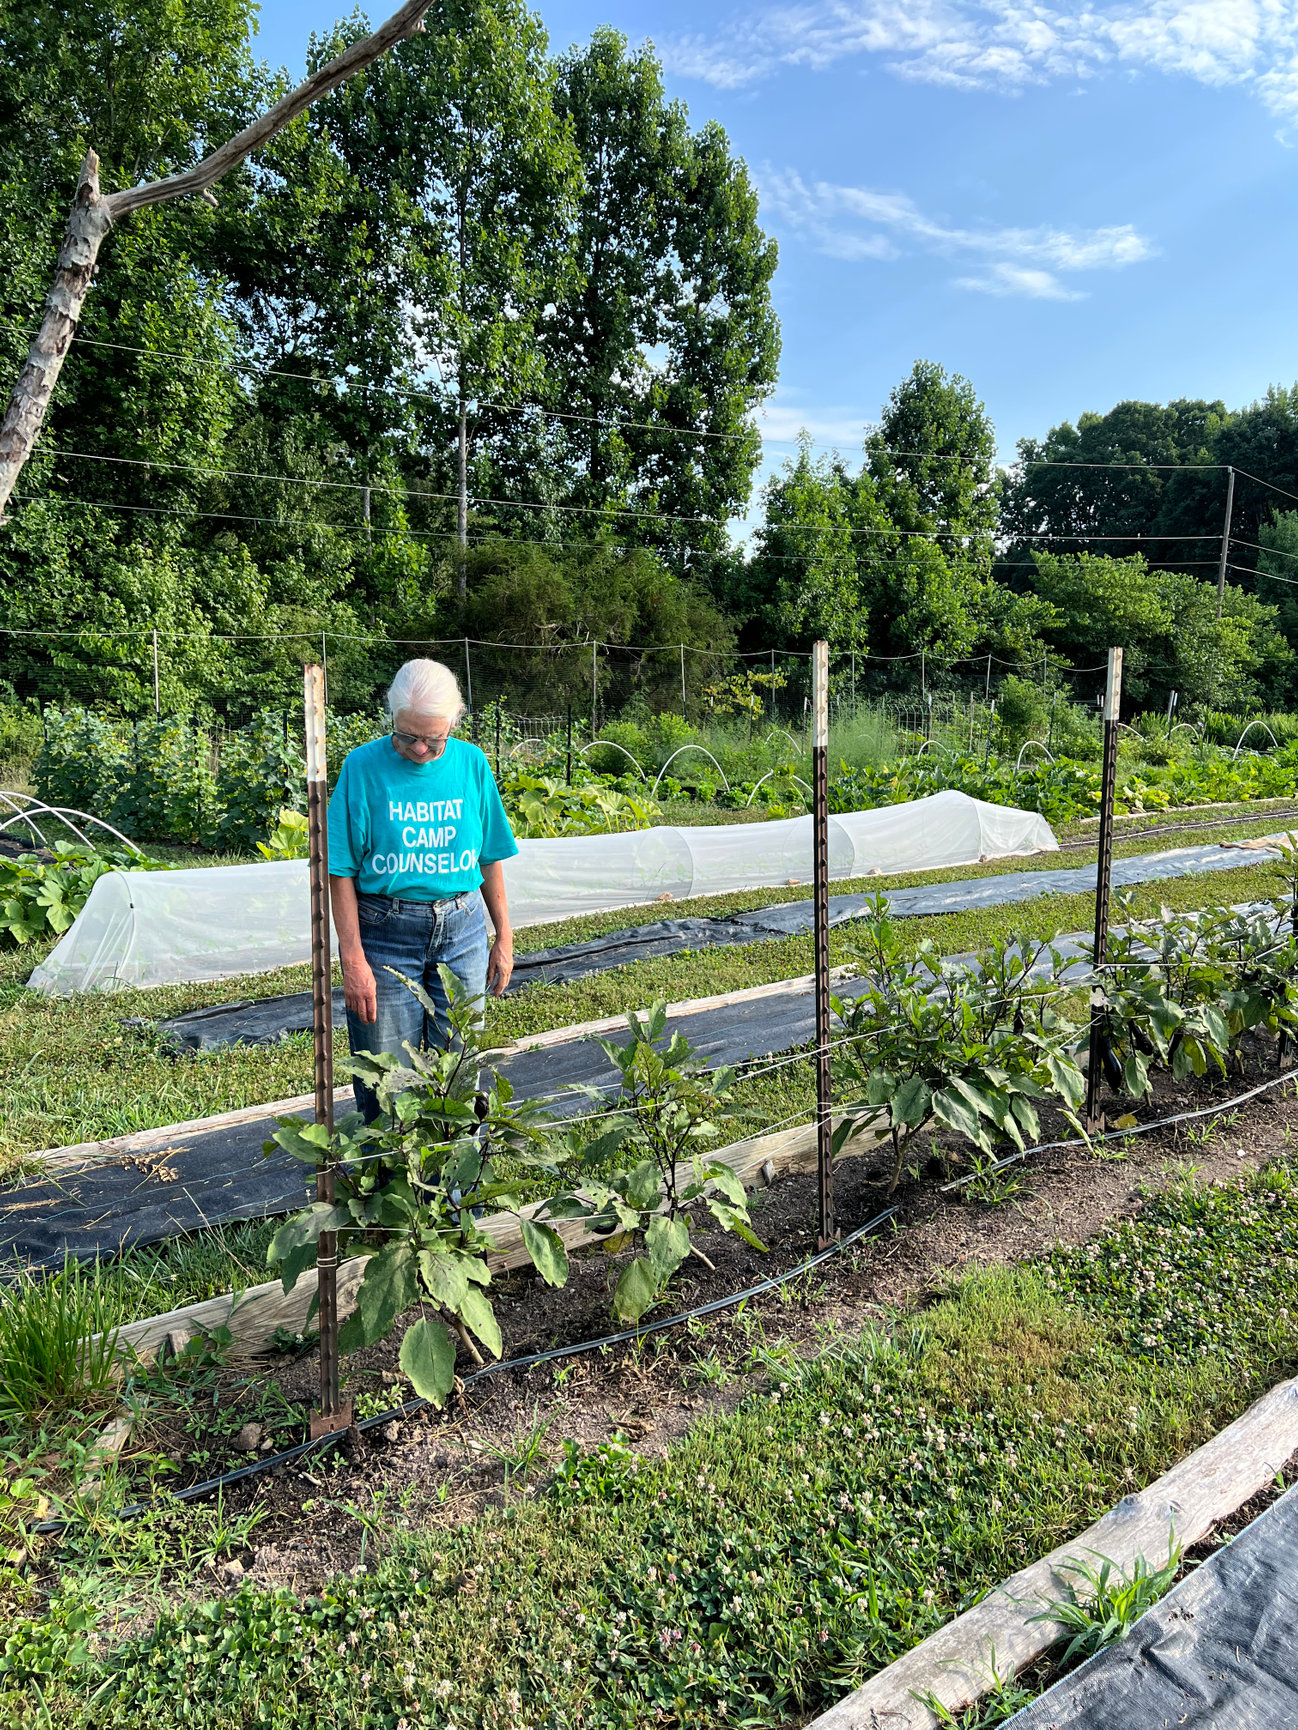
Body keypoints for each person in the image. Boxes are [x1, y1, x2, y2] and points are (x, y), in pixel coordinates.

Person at [327, 657, 517, 1121]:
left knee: (458, 1065)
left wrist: (505, 937)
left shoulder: (472, 764)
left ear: (453, 723)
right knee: (387, 1075)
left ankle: (450, 1188)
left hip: (463, 929)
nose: (420, 749)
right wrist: (352, 960)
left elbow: (489, 858)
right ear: (392, 718)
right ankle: (393, 1183)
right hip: (385, 931)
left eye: (435, 739)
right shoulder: (362, 768)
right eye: (407, 736)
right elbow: (340, 870)